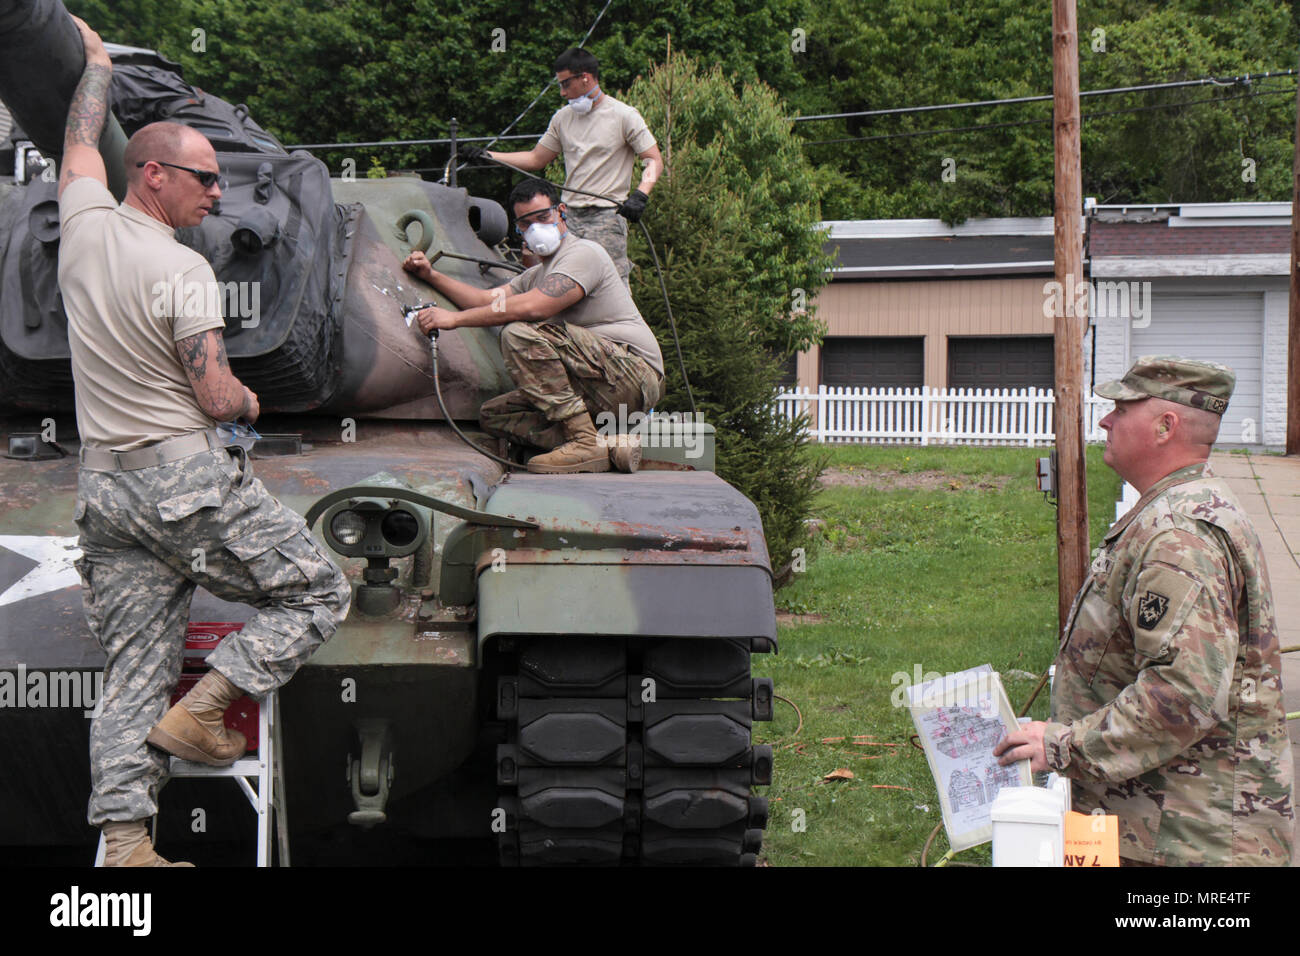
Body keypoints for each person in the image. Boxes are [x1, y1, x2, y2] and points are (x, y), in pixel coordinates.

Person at [56, 18, 351, 866]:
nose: (218, 194)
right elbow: (216, 396)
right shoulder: (184, 270)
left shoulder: (81, 225)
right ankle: (208, 707)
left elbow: (78, 146)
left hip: (106, 492)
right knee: (317, 592)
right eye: (206, 178)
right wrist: (250, 399)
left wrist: (96, 66)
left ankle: (126, 843)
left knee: (133, 670)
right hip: (183, 484)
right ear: (153, 174)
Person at [994, 356, 1294, 866]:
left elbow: (1183, 694)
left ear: (1164, 426)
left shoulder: (1179, 535)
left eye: (1121, 409)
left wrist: (1063, 746)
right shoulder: (1177, 511)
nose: (1105, 420)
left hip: (1191, 840)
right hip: (1166, 825)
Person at [402, 178, 663, 474]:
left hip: (632, 376)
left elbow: (536, 307)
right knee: (497, 415)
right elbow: (483, 300)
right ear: (519, 230)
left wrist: (454, 320)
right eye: (526, 223)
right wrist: (431, 275)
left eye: (543, 217)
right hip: (592, 383)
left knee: (517, 333)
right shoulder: (535, 275)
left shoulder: (583, 253)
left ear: (561, 212)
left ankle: (584, 442)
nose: (535, 228)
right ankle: (605, 445)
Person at [466, 47, 662, 284]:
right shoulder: (562, 118)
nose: (562, 92)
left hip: (606, 218)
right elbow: (536, 159)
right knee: (562, 282)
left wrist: (641, 194)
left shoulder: (624, 115)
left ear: (585, 77)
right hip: (568, 217)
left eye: (566, 84)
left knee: (610, 282)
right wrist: (489, 156)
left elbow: (653, 159)